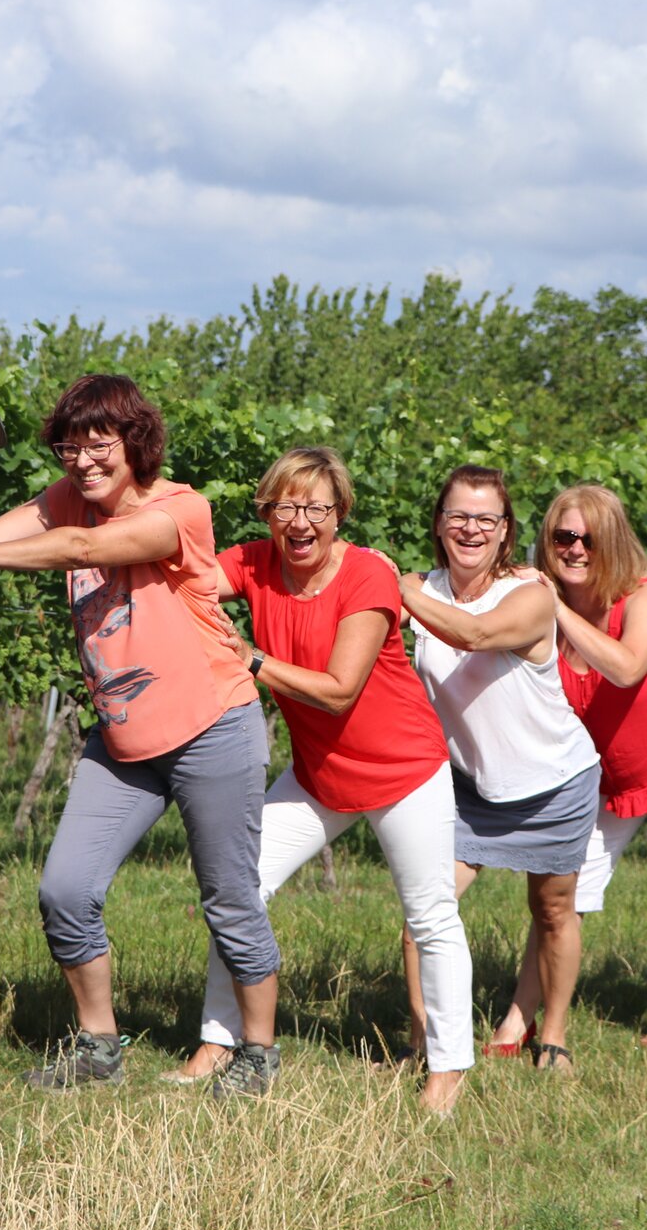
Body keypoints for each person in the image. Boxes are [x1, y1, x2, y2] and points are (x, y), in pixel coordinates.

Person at [0, 374, 282, 1096]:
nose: (84, 460)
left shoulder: (179, 509)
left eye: (100, 443)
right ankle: (97, 1045)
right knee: (65, 888)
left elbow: (72, 549)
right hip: (125, 742)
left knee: (230, 898)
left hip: (213, 726)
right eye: (70, 445)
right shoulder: (69, 497)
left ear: (135, 442)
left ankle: (258, 1052)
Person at [170, 447, 473, 1113]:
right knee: (237, 889)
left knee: (430, 916)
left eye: (317, 507)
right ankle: (220, 1039)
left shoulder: (365, 576)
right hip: (318, 775)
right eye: (285, 505)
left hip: (403, 771)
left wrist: (250, 659)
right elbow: (180, 576)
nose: (300, 521)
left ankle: (447, 1068)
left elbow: (338, 692)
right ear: (267, 512)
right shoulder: (254, 561)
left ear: (340, 515)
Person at [481, 484, 647, 1079]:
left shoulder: (646, 597)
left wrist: (557, 610)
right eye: (562, 537)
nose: (574, 549)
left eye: (588, 538)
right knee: (559, 897)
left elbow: (625, 669)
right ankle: (521, 1015)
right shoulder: (536, 607)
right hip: (612, 778)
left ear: (614, 540)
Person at [396, 466, 602, 1074]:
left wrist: (401, 587)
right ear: (439, 522)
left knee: (553, 912)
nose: (471, 529)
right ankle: (424, 1045)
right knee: (422, 915)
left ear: (506, 530)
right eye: (459, 515)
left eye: (487, 519)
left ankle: (555, 1037)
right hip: (469, 788)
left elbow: (479, 633)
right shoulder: (423, 588)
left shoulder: (531, 595)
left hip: (554, 783)